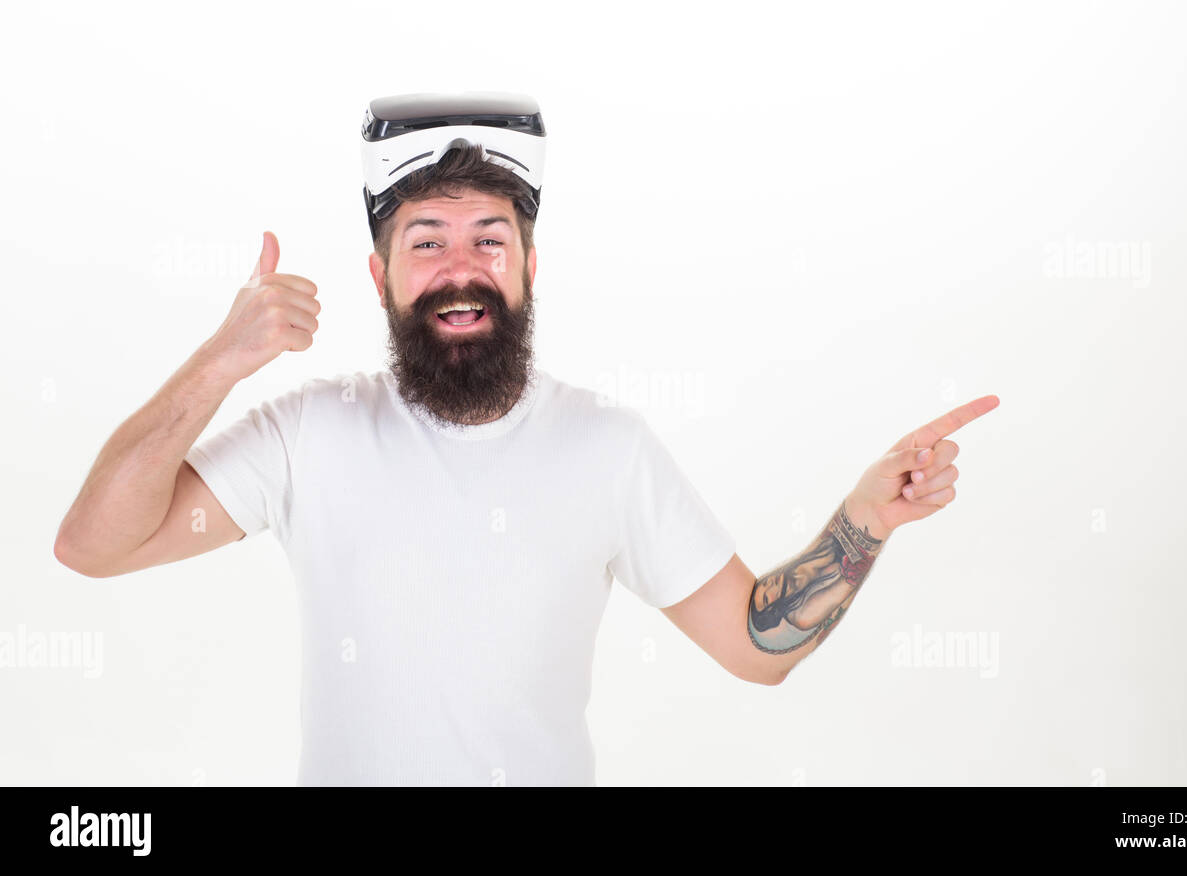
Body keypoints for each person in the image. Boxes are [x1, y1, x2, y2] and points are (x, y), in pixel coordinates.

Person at [53, 108, 998, 786]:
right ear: (378, 277)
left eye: (488, 241)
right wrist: (221, 360)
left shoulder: (607, 448)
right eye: (426, 243)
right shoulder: (310, 432)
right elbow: (94, 546)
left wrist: (863, 522)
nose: (460, 268)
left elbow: (757, 647)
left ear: (529, 267)